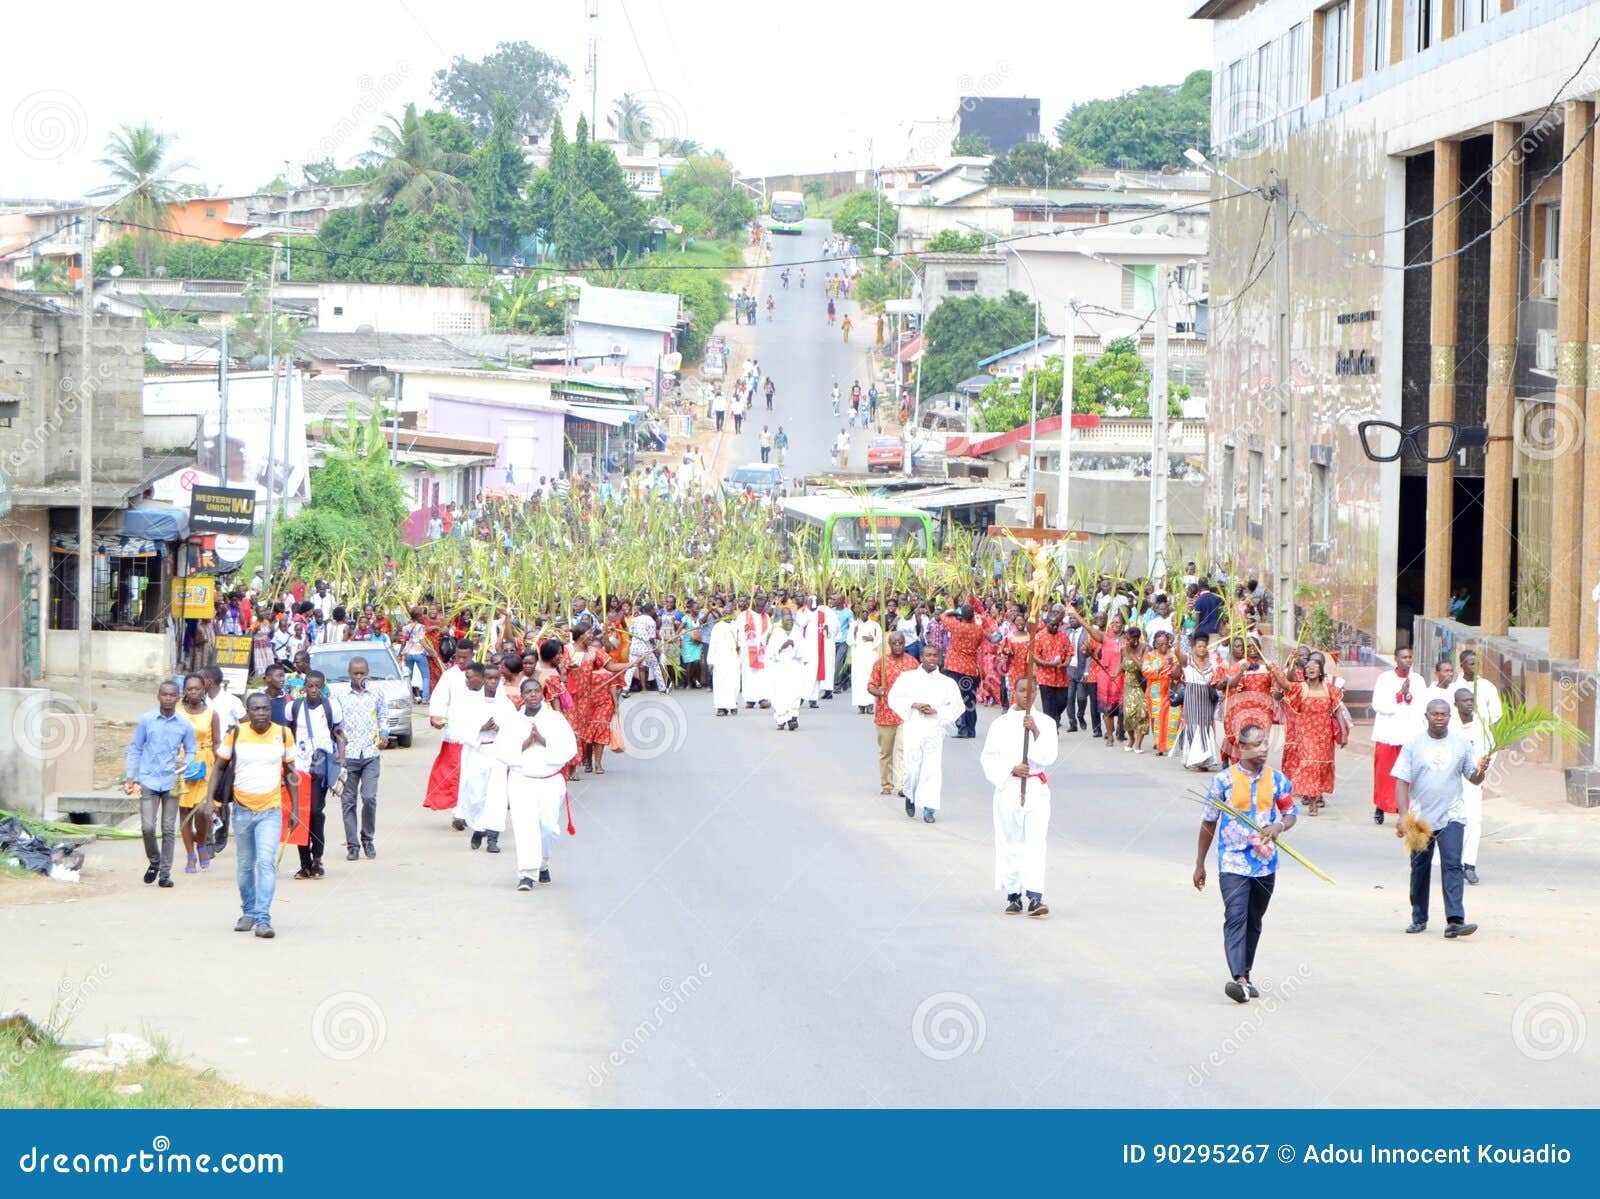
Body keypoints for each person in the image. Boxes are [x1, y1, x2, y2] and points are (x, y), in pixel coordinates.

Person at [1193, 723, 1297, 1004]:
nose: (1265, 748)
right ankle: (1238, 977)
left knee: (1254, 919)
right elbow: (1208, 822)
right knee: (1236, 916)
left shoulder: (1277, 780)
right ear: (1242, 748)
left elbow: (1290, 812)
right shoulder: (1223, 781)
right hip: (1232, 862)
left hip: (1265, 864)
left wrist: (1279, 826)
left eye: (1266, 743)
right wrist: (1200, 863)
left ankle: (1246, 975)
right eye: (1259, 743)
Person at [1393, 698, 1491, 937]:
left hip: (1452, 815)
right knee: (1419, 868)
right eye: (1435, 714)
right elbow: (1402, 780)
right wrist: (1403, 814)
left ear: (1450, 717)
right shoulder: (1414, 745)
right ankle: (1419, 918)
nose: (1439, 717)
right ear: (1426, 716)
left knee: (1452, 864)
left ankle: (1455, 920)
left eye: (1444, 714)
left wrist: (1482, 770)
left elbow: (1473, 778)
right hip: (1420, 819)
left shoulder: (1460, 744)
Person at [209, 693, 297, 939]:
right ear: (248, 711)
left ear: (271, 710)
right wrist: (210, 800)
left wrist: (296, 810)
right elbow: (219, 767)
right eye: (256, 709)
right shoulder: (236, 734)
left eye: (265, 708)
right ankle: (247, 911)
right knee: (246, 865)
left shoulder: (283, 734)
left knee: (266, 862)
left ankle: (263, 918)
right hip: (242, 810)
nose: (261, 713)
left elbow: (291, 772)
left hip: (271, 810)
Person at [983, 676, 1059, 917]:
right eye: (1022, 690)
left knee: (1036, 841)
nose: (1027, 695)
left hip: (1035, 787)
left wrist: (1035, 730)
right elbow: (989, 757)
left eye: (1032, 691)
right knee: (1011, 840)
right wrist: (1011, 768)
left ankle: (1035, 895)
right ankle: (1013, 893)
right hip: (1009, 787)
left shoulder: (1045, 722)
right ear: (1013, 692)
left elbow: (1049, 755)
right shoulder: (1000, 724)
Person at [499, 677, 579, 892]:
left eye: (536, 691)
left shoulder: (556, 719)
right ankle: (526, 873)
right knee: (525, 826)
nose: (532, 695)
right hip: (521, 780)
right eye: (528, 692)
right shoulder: (513, 722)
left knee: (548, 827)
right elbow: (501, 751)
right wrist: (525, 744)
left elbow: (570, 749)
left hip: (550, 781)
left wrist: (543, 741)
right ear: (522, 696)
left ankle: (543, 861)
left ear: (542, 694)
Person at [123, 681, 197, 888]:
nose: (168, 698)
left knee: (168, 829)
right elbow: (136, 747)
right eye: (165, 694)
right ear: (158, 696)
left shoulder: (183, 724)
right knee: (147, 827)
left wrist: (185, 763)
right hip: (148, 779)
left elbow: (191, 749)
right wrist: (131, 776)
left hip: (172, 781)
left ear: (177, 697)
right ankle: (154, 861)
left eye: (173, 695)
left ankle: (165, 873)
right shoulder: (147, 720)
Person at [888, 646, 964, 823]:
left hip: (935, 730)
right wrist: (914, 704)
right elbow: (894, 697)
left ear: (939, 658)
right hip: (914, 726)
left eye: (935, 655)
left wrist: (936, 710)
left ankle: (929, 808)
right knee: (912, 767)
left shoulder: (947, 682)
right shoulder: (908, 678)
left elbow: (958, 706)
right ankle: (910, 794)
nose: (931, 658)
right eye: (928, 655)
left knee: (932, 769)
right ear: (921, 656)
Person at [1267, 651, 1344, 816]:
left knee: (1321, 765)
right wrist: (1273, 669)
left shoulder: (1330, 689)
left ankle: (1316, 794)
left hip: (1325, 736)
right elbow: (1286, 683)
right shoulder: (1301, 687)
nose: (1310, 669)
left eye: (1314, 666)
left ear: (1321, 670)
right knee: (1309, 763)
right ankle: (1313, 803)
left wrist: (1343, 734)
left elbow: (1338, 712)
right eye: (1308, 666)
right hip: (1306, 735)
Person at [290, 670, 345, 880]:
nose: (313, 690)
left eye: (317, 686)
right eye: (310, 686)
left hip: (321, 768)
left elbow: (338, 732)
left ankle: (317, 858)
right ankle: (304, 863)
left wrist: (341, 756)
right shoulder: (293, 707)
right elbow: (288, 732)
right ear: (304, 686)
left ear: (323, 687)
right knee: (300, 814)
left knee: (315, 812)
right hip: (299, 768)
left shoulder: (331, 707)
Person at [334, 655, 388, 861]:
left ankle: (368, 839)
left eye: (362, 673)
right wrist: (339, 754)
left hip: (371, 754)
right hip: (349, 756)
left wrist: (384, 735)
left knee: (369, 797)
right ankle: (353, 845)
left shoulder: (376, 693)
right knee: (348, 801)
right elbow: (336, 726)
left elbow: (383, 715)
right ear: (349, 673)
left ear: (368, 673)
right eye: (355, 673)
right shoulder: (340, 697)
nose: (359, 677)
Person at [1370, 646, 1425, 826]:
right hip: (1388, 734)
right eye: (1403, 657)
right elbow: (1378, 705)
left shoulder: (1418, 680)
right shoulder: (1385, 679)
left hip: (1411, 735)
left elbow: (1422, 706)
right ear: (1396, 659)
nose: (1407, 661)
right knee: (1384, 773)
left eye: (1410, 657)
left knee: (1410, 774)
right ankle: (1381, 806)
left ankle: (1407, 810)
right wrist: (1399, 695)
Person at [424, 639, 475, 826]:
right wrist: (436, 718)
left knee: (474, 776)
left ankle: (473, 812)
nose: (461, 661)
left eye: (465, 657)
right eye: (458, 657)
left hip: (479, 736)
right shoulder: (450, 676)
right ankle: (459, 813)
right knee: (456, 775)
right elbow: (439, 700)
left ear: (473, 654)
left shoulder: (482, 673)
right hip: (456, 733)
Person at [174, 674, 221, 875]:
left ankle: (201, 843)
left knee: (203, 810)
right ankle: (190, 855)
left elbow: (217, 741)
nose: (194, 692)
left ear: (204, 690)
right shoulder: (177, 713)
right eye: (190, 689)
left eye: (197, 688)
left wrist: (221, 763)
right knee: (184, 810)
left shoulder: (212, 713)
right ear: (185, 690)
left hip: (205, 762)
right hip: (182, 762)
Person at [868, 632, 917, 795]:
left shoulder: (912, 663)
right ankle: (886, 784)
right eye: (894, 643)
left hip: (905, 715)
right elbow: (871, 686)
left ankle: (902, 784)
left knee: (904, 749)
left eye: (901, 643)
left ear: (904, 644)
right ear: (889, 644)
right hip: (885, 714)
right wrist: (878, 691)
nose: (898, 646)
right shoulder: (880, 663)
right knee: (886, 752)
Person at [1451, 686, 1488, 885]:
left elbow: (1490, 750)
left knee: (1475, 821)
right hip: (1452, 783)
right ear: (1456, 704)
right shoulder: (1450, 726)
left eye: (1471, 700)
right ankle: (1453, 864)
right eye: (1465, 700)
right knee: (1453, 822)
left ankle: (1470, 865)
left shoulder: (1480, 726)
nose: (1469, 703)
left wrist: (1483, 774)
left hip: (1473, 781)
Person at [1175, 632, 1222, 770]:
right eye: (1199, 646)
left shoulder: (1211, 662)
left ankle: (1205, 758)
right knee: (1194, 725)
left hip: (1207, 695)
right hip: (1192, 694)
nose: (1202, 649)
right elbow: (1177, 652)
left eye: (1204, 646)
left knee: (1206, 725)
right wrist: (1177, 637)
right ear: (1194, 647)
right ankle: (1194, 758)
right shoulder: (1187, 660)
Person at [940, 603, 984, 738]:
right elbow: (978, 644)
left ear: (961, 615)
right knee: (969, 699)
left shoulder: (956, 626)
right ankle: (971, 729)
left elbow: (943, 615)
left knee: (957, 699)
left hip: (954, 667)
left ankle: (962, 728)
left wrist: (955, 612)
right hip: (970, 668)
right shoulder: (978, 629)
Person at [767, 608, 813, 731]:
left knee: (795, 692)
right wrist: (781, 647)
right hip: (780, 667)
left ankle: (793, 718)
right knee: (780, 694)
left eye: (790, 618)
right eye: (786, 618)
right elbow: (770, 652)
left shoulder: (797, 631)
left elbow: (803, 649)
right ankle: (781, 719)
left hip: (794, 667)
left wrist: (794, 645)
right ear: (781, 619)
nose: (789, 620)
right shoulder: (776, 632)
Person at [1142, 630, 1180, 756]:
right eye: (1160, 644)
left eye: (1165, 643)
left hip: (1171, 691)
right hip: (1155, 693)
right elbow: (1146, 671)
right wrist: (1162, 666)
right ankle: (1159, 744)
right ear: (1155, 644)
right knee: (1157, 719)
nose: (1163, 646)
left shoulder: (1173, 656)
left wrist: (1175, 670)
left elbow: (1179, 672)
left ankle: (1171, 745)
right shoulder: (1150, 655)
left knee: (1173, 717)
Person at [740, 597, 773, 709]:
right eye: (759, 599)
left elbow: (769, 631)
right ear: (754, 601)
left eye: (764, 600)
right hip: (749, 650)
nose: (763, 601)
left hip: (763, 650)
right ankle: (750, 699)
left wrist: (767, 638)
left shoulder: (766, 617)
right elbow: (736, 630)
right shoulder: (744, 615)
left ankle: (762, 698)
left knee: (762, 675)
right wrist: (743, 630)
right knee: (749, 674)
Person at [850, 600, 883, 713]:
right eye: (862, 612)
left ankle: (870, 705)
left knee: (870, 678)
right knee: (859, 679)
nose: (864, 614)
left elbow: (879, 638)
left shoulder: (874, 625)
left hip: (870, 655)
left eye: (865, 612)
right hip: (858, 655)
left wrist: (872, 639)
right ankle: (861, 705)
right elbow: (849, 641)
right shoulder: (854, 625)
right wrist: (854, 633)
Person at [1457, 649, 1502, 729]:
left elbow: (1496, 713)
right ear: (1462, 665)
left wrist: (1484, 728)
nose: (1476, 667)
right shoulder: (1454, 686)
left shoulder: (1487, 686)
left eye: (1477, 664)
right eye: (1472, 664)